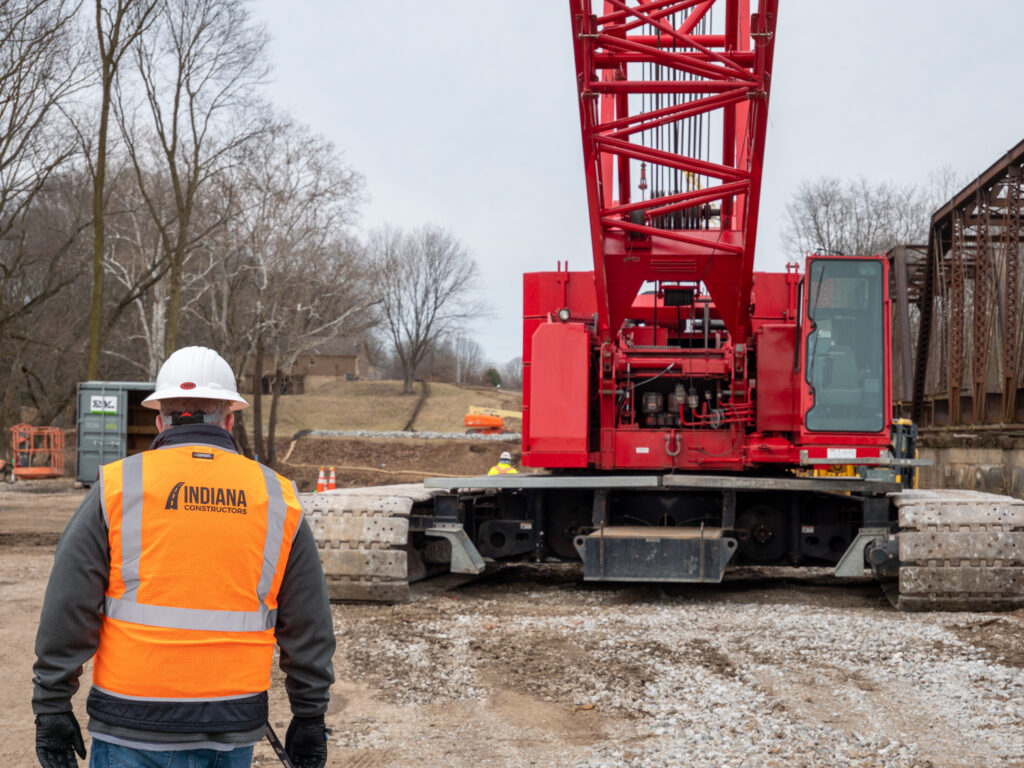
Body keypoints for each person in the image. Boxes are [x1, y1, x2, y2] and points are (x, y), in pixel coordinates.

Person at [32, 346, 336, 768]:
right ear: (229, 419)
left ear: (160, 419)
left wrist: (51, 704)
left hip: (130, 719)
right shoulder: (276, 498)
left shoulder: (118, 487)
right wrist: (310, 715)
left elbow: (68, 604)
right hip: (231, 722)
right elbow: (309, 623)